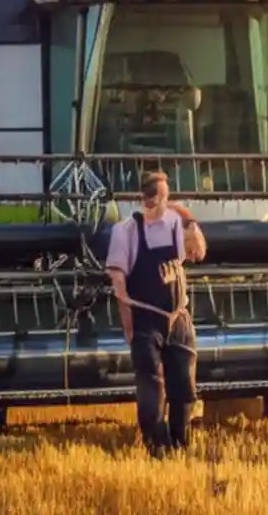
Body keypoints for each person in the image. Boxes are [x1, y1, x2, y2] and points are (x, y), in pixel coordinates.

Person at [105, 170, 207, 456]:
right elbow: (119, 284)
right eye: (154, 198)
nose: (160, 204)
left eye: (165, 197)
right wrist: (129, 327)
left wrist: (192, 224)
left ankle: (181, 444)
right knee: (152, 393)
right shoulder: (125, 231)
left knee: (185, 390)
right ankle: (158, 449)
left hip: (179, 318)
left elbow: (198, 251)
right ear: (142, 199)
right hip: (146, 320)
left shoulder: (176, 225)